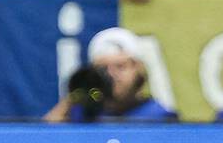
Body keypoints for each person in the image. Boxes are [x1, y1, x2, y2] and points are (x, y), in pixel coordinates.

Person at [45, 27, 177, 121]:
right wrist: (70, 100)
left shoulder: (159, 117)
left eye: (120, 66)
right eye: (103, 68)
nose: (112, 74)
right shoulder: (83, 115)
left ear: (138, 69)